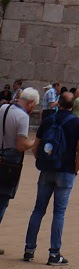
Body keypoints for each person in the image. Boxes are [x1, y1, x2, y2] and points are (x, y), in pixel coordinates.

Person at [23, 87, 79, 265]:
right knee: (59, 213)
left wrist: (42, 162)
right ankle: (54, 253)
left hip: (47, 170)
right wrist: (75, 169)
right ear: (73, 105)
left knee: (38, 209)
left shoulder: (48, 120)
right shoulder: (77, 123)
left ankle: (29, 249)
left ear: (58, 103)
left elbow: (36, 146)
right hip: (66, 171)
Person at [0, 86, 38, 252]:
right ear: (30, 103)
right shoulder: (22, 117)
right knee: (2, 200)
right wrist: (34, 142)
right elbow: (21, 145)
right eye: (34, 105)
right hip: (10, 161)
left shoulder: (3, 108)